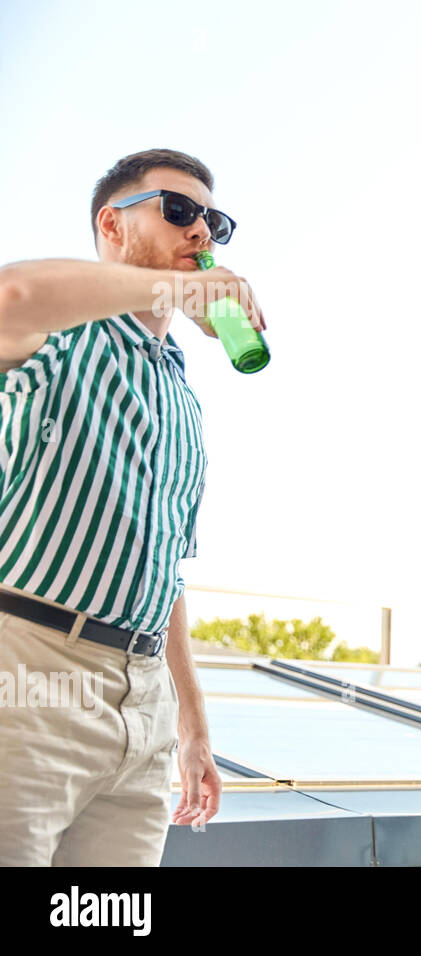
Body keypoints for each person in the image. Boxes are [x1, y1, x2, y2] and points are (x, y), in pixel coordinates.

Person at [0, 148, 266, 865]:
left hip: (141, 708)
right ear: (111, 225)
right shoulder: (60, 332)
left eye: (215, 222)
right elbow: (10, 297)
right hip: (27, 675)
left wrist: (192, 724)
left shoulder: (181, 393)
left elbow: (164, 565)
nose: (202, 233)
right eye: (178, 211)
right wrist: (174, 294)